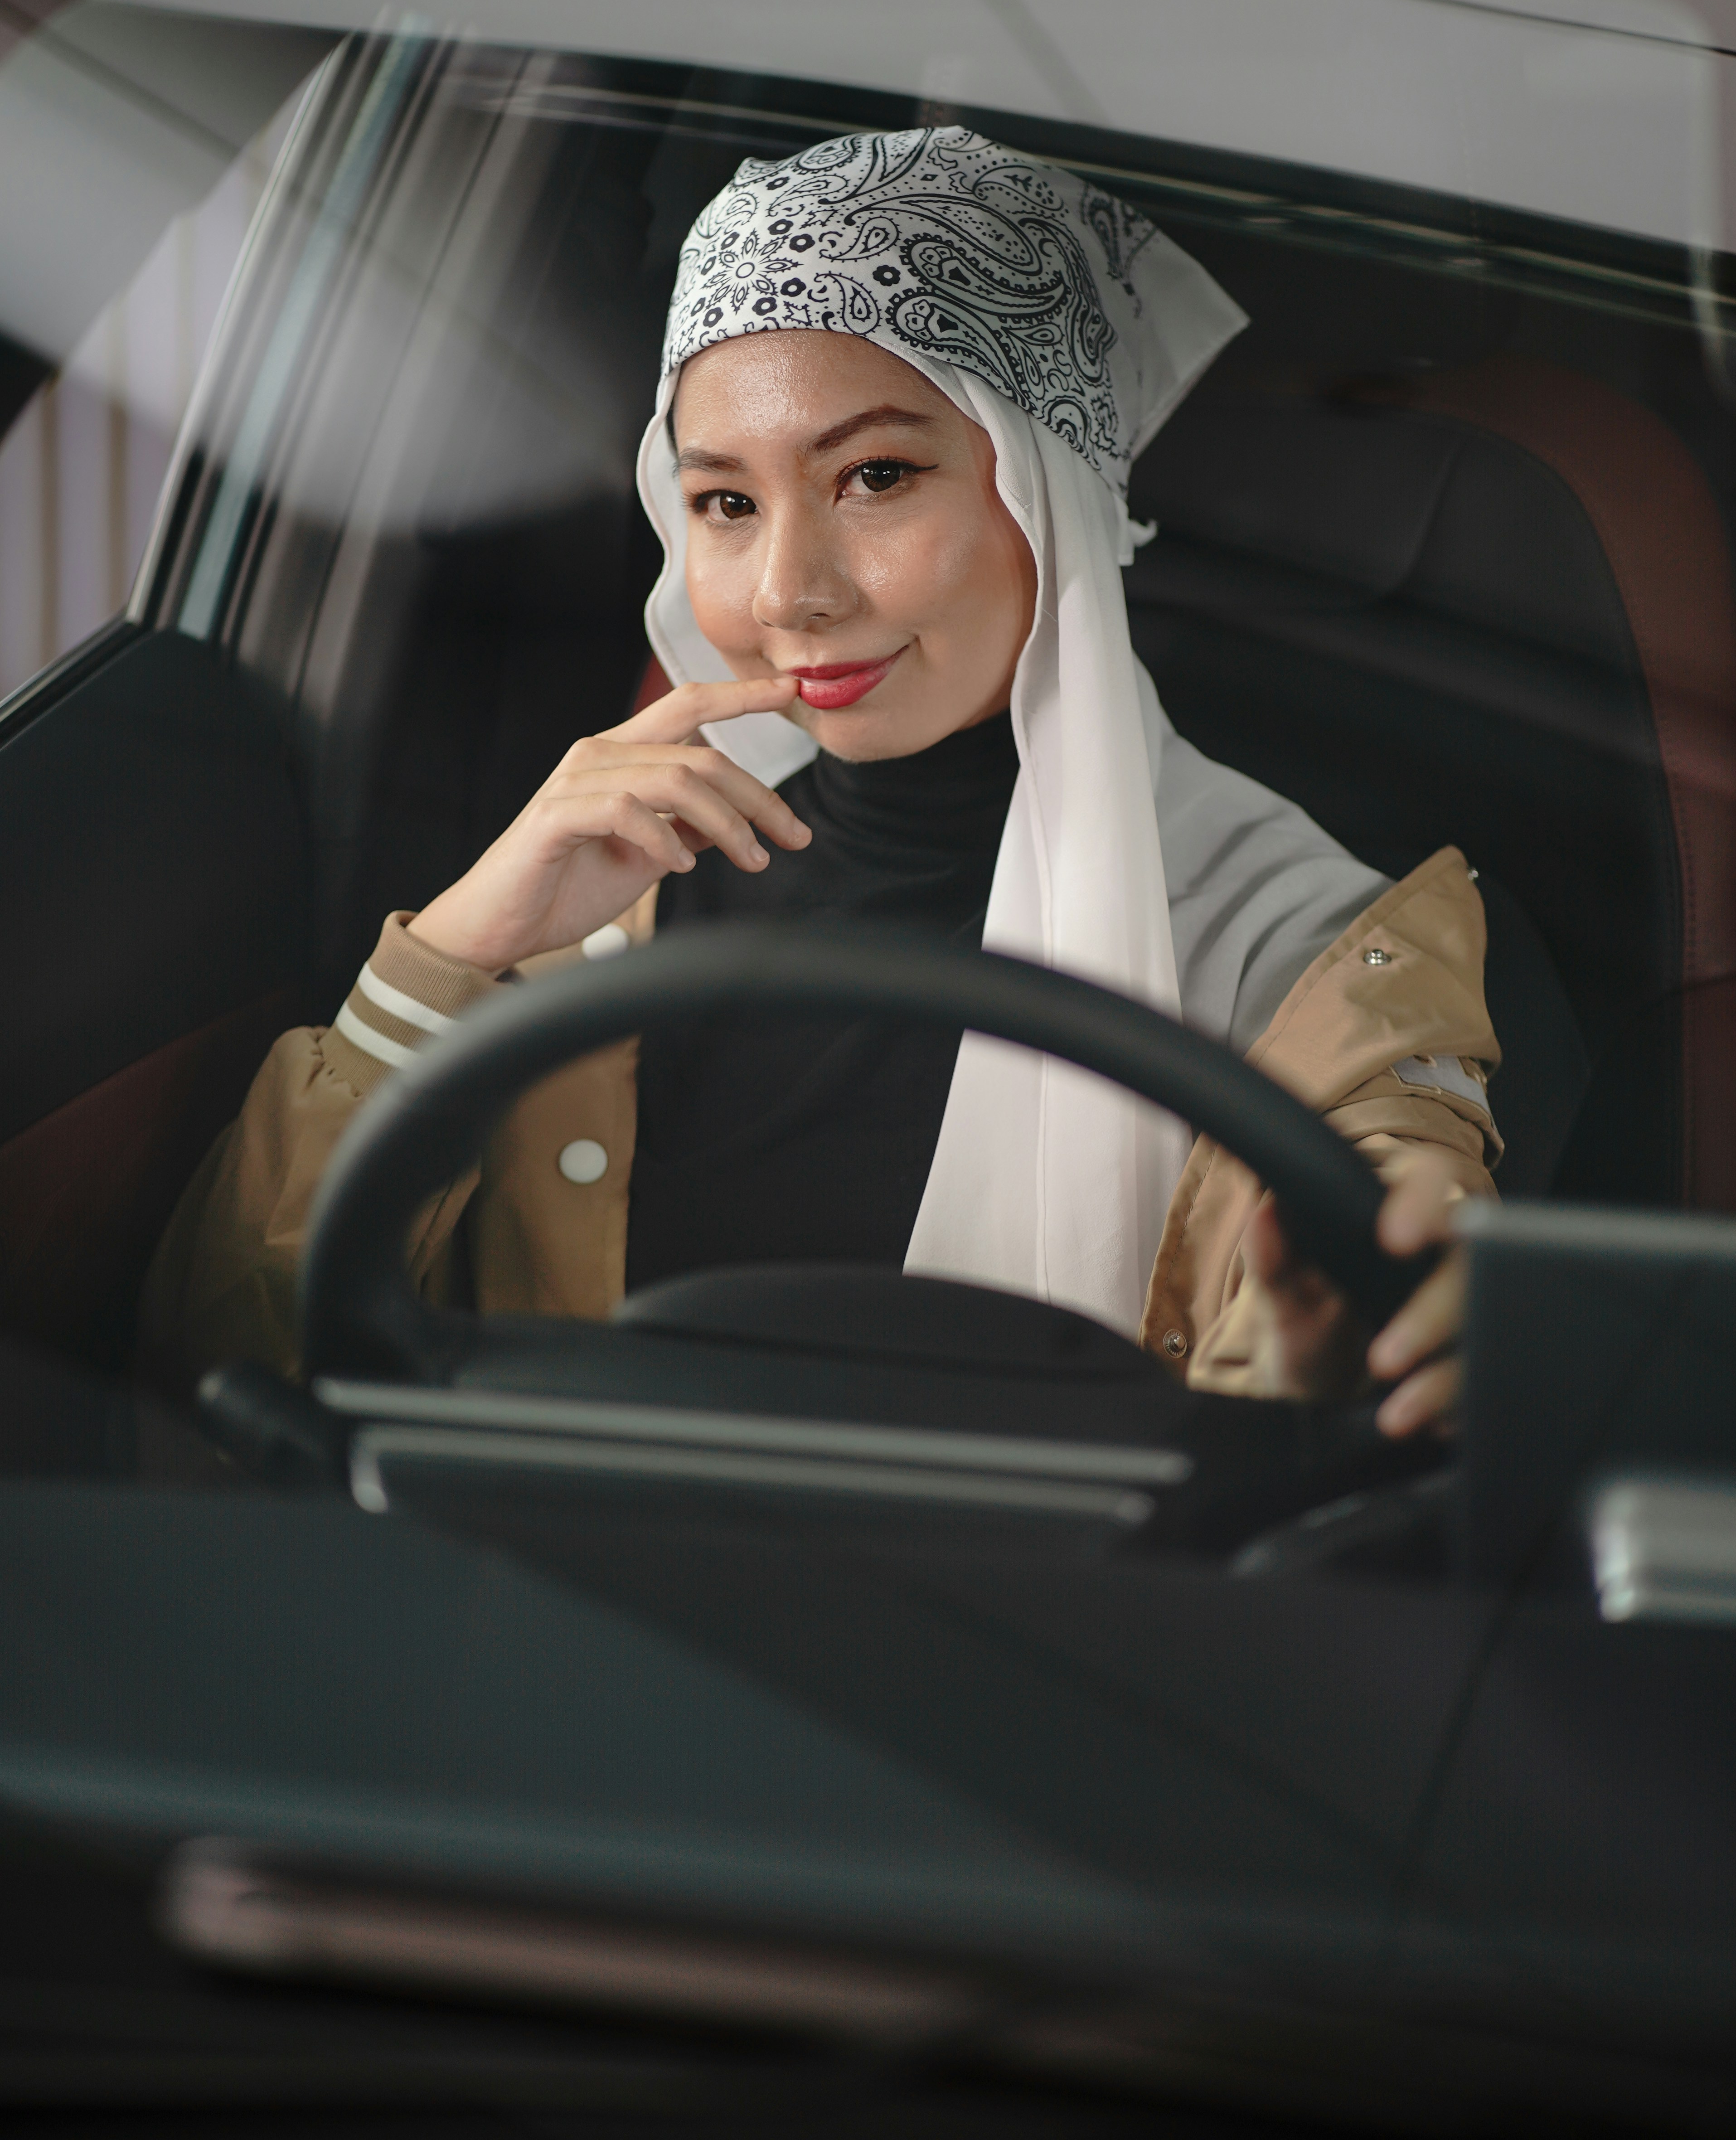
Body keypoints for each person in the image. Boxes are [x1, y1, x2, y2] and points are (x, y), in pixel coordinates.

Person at [138, 127, 1498, 1426]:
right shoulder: (596, 890)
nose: (789, 592)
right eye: (725, 502)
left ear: (1050, 492)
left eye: (876, 477)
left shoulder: (1302, 946)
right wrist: (443, 961)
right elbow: (222, 1362)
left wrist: (1388, 1298)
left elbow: (1393, 1216)